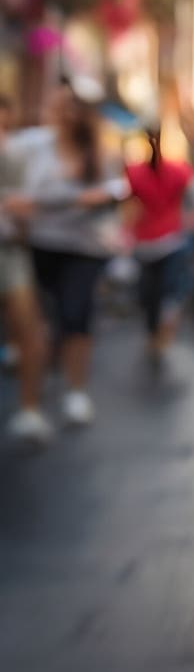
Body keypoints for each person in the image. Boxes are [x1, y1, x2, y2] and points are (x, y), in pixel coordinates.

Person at [12, 79, 128, 427]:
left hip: (84, 247)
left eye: (72, 107)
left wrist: (98, 196)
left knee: (75, 315)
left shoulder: (97, 148)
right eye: (59, 105)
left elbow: (118, 187)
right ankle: (35, 398)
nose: (65, 113)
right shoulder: (30, 145)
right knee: (39, 325)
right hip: (38, 244)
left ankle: (76, 391)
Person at [0, 96, 51, 445]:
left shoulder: (20, 151)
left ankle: (30, 408)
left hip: (11, 251)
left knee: (29, 328)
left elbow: (34, 203)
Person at [125, 125, 193, 366]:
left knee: (149, 296)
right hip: (170, 240)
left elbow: (130, 207)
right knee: (170, 293)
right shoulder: (179, 171)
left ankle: (155, 336)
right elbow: (187, 200)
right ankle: (164, 336)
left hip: (145, 243)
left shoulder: (134, 173)